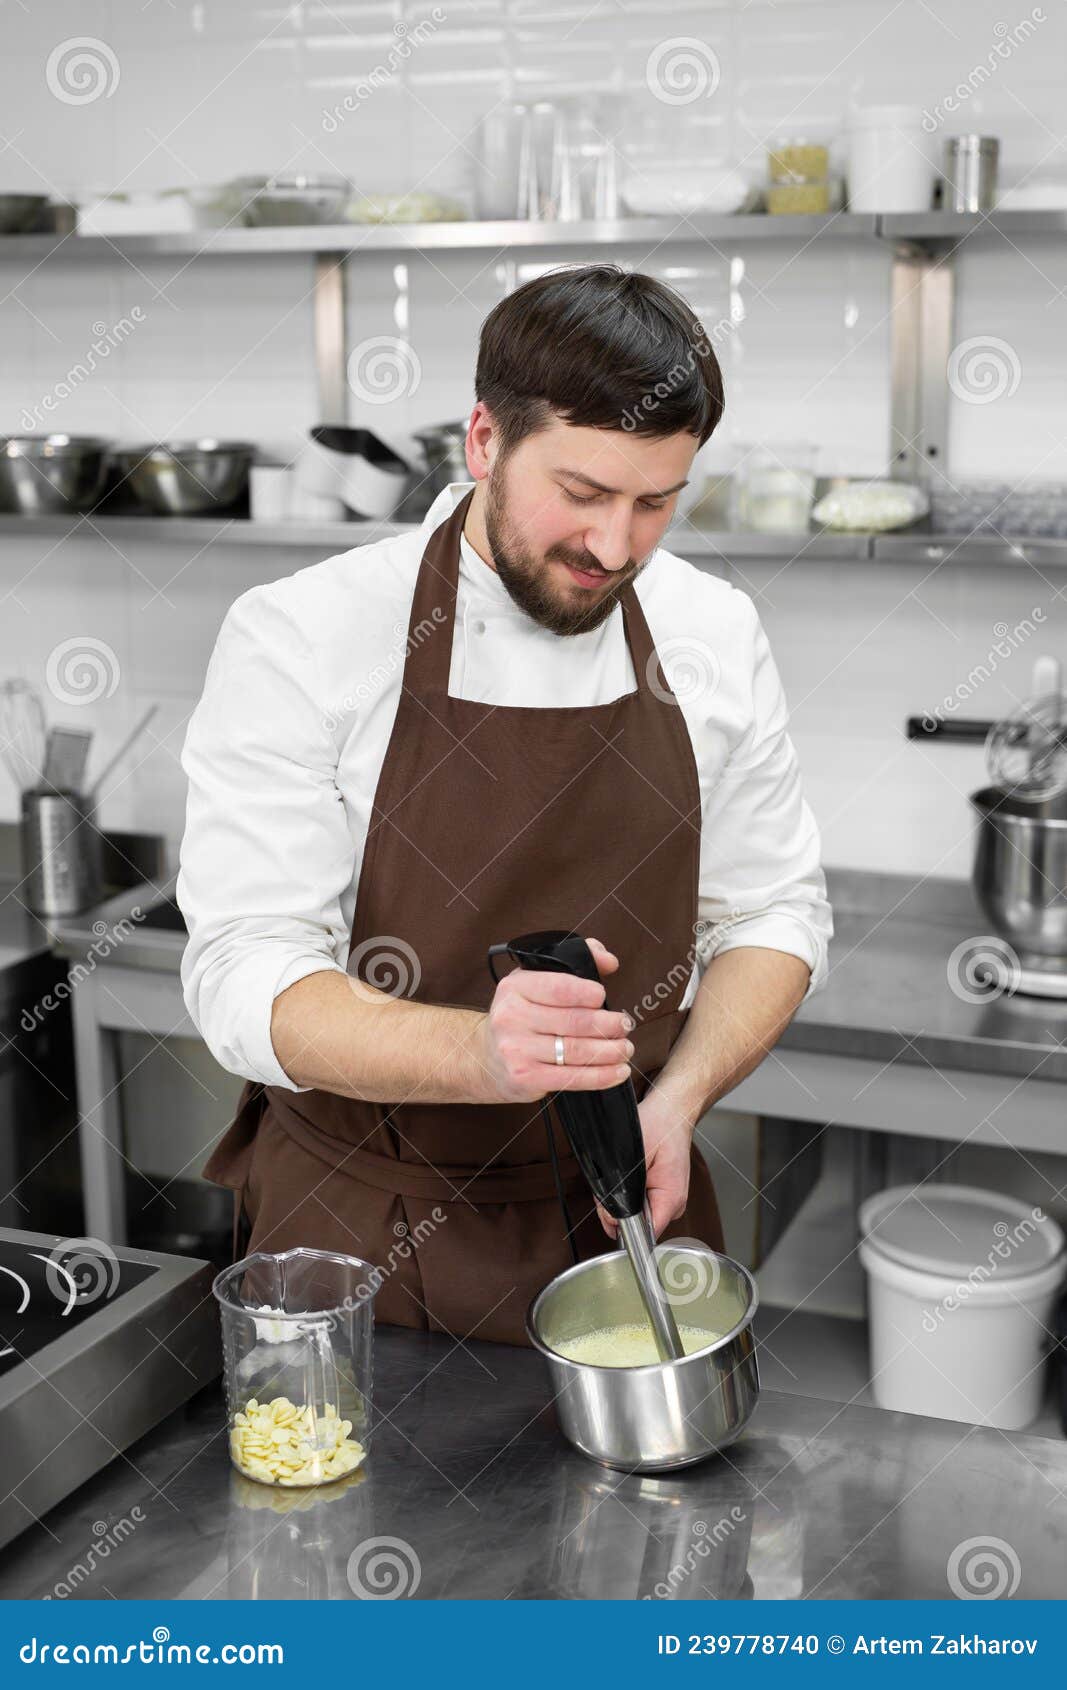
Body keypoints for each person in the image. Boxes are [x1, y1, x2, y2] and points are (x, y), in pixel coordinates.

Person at [177, 262, 832, 1345]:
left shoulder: (709, 629)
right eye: (579, 495)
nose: (614, 547)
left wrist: (675, 1102)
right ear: (483, 441)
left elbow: (769, 913)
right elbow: (245, 973)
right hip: (361, 1238)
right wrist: (482, 1052)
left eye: (656, 502)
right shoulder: (303, 633)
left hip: (625, 1211)